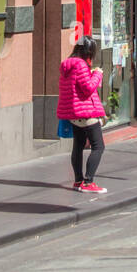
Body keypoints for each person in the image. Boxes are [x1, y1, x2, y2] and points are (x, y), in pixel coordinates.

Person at [57, 36, 108, 193]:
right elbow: (87, 88)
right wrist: (98, 74)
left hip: (73, 113)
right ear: (88, 50)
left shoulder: (68, 64)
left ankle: (78, 181)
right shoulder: (81, 65)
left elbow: (78, 86)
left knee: (78, 146)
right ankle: (88, 182)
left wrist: (90, 73)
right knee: (98, 146)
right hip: (85, 112)